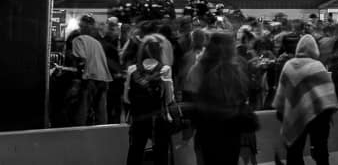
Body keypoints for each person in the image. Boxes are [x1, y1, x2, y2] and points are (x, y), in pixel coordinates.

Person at [273, 34, 338, 165]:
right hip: (319, 116)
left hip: (294, 114)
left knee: (294, 151)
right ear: (315, 49)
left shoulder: (289, 65)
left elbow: (282, 92)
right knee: (321, 150)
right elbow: (328, 93)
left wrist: (282, 112)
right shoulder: (318, 66)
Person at [188, 31, 253, 164]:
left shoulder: (198, 69)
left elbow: (191, 97)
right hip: (231, 131)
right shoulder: (237, 69)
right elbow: (243, 98)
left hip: (207, 130)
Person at [124, 36, 176, 165]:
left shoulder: (132, 70)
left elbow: (126, 98)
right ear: (160, 51)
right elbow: (169, 99)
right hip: (158, 117)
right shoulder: (165, 69)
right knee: (161, 152)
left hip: (138, 117)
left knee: (135, 151)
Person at [72, 14, 112, 126]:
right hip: (104, 78)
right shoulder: (97, 42)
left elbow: (82, 60)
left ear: (81, 26)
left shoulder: (78, 39)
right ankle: (102, 135)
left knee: (82, 110)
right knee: (101, 112)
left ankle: (79, 136)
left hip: (89, 78)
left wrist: (77, 75)